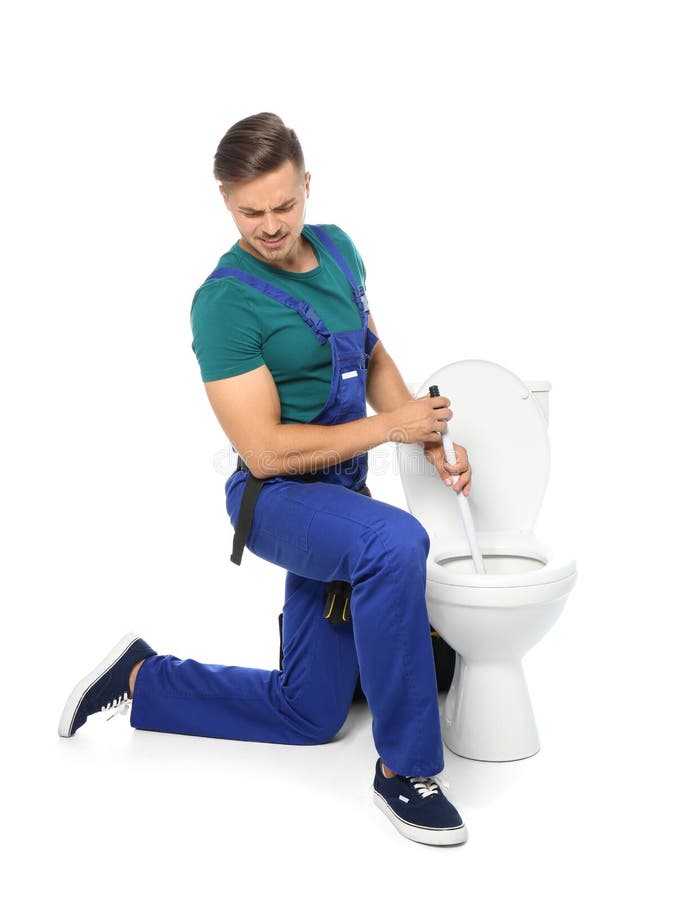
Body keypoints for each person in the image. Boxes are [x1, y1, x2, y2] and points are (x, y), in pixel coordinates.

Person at [58, 112, 473, 847]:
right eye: (251, 211)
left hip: (343, 497)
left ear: (306, 185)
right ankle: (404, 769)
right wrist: (391, 431)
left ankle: (143, 679)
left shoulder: (339, 252)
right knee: (394, 543)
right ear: (226, 201)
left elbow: (370, 353)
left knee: (310, 714)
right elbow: (264, 454)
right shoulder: (224, 302)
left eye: (284, 205)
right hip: (277, 498)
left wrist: (427, 436)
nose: (271, 225)